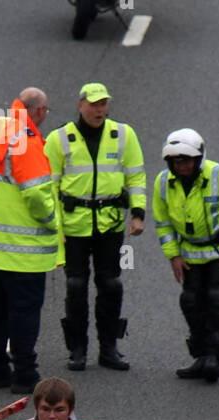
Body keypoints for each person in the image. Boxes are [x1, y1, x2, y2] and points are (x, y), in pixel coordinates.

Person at [46, 83, 146, 371]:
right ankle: (78, 350)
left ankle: (109, 348)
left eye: (103, 104)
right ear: (81, 105)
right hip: (74, 226)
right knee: (76, 287)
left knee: (111, 285)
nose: (99, 109)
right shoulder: (59, 139)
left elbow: (136, 177)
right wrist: (57, 227)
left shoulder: (124, 135)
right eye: (93, 104)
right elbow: (50, 187)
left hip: (109, 223)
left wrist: (137, 214)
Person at [0, 89, 63, 394]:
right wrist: (52, 221)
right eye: (46, 112)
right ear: (37, 111)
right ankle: (25, 374)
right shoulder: (27, 139)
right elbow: (36, 192)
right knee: (24, 312)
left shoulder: (1, 128)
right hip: (23, 251)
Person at [152, 129, 219, 383]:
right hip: (189, 254)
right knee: (190, 302)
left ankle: (214, 358)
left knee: (216, 300)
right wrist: (173, 256)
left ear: (198, 158)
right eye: (176, 162)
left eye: (186, 160)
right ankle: (201, 356)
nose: (182, 166)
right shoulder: (163, 182)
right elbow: (163, 221)